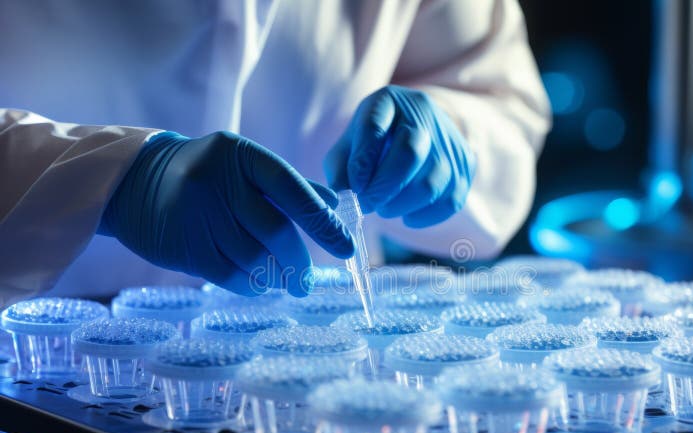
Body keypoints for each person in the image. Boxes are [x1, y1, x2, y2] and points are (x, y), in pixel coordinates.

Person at [0, 0, 550, 306]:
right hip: (34, 369)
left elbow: (498, 99)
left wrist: (448, 134)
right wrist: (108, 182)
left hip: (325, 384)